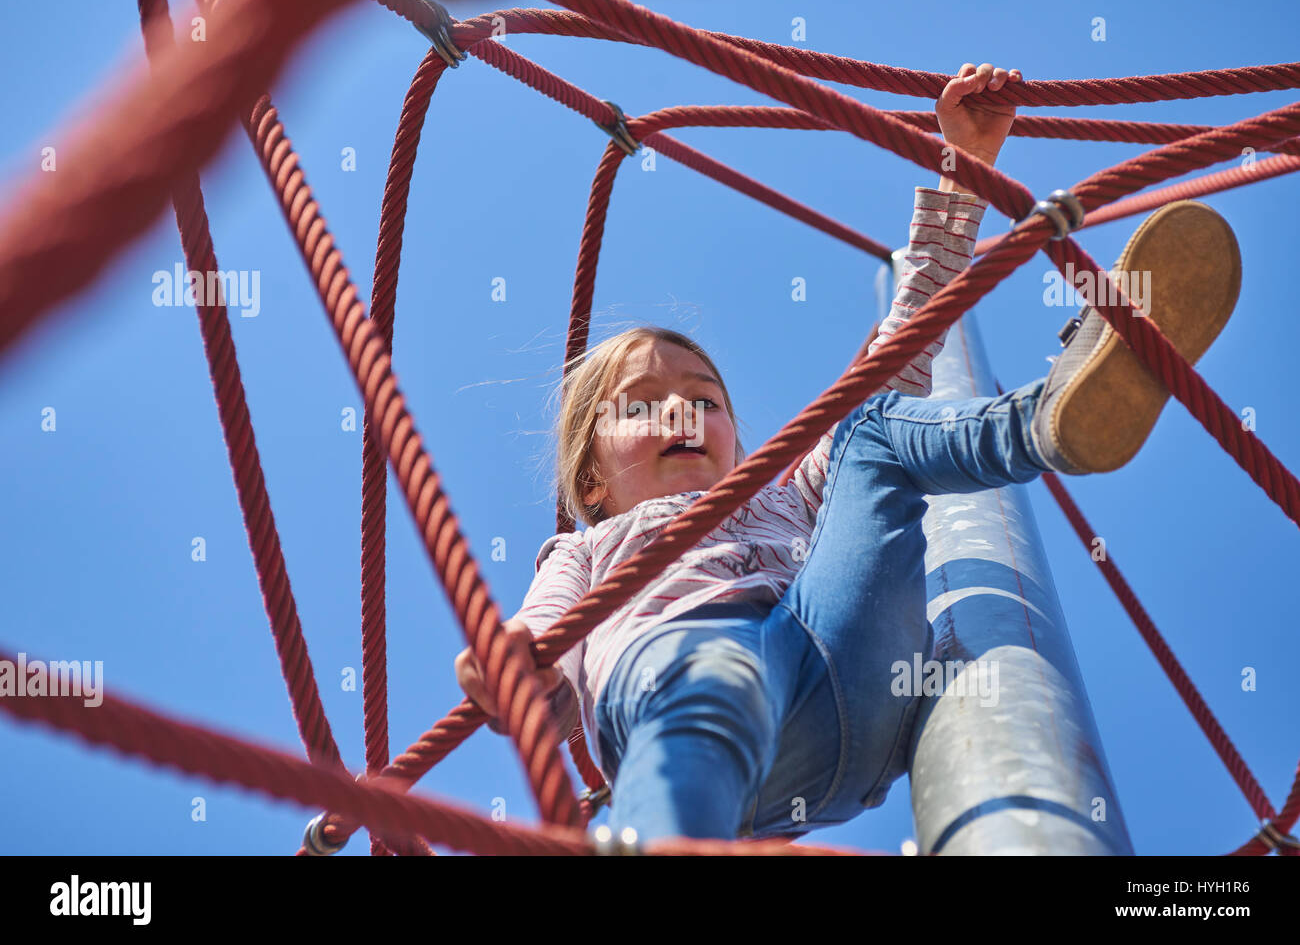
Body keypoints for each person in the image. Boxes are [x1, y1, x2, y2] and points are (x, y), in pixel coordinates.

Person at [454, 64, 1241, 844]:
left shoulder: (785, 494)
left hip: (848, 678)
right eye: (642, 404)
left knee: (872, 425)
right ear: (590, 475)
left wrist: (963, 165)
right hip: (691, 711)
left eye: (705, 399)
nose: (681, 412)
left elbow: (907, 343)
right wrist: (528, 672)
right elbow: (543, 631)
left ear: (737, 437)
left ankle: (1053, 421)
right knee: (710, 678)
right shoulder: (586, 547)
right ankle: (674, 834)